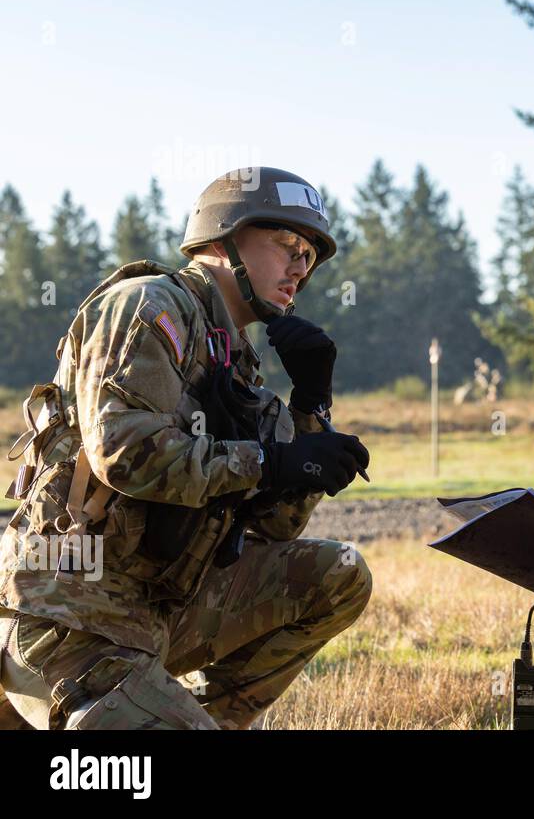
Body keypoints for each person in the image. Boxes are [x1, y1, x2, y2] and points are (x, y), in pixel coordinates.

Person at [0, 167, 372, 729]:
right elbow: (123, 451)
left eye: (310, 256)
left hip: (155, 612)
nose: (301, 267)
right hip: (70, 615)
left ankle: (192, 718)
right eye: (287, 245)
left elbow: (274, 531)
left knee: (337, 574)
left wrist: (311, 407)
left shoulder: (237, 366)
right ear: (223, 242)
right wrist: (269, 461)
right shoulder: (148, 305)